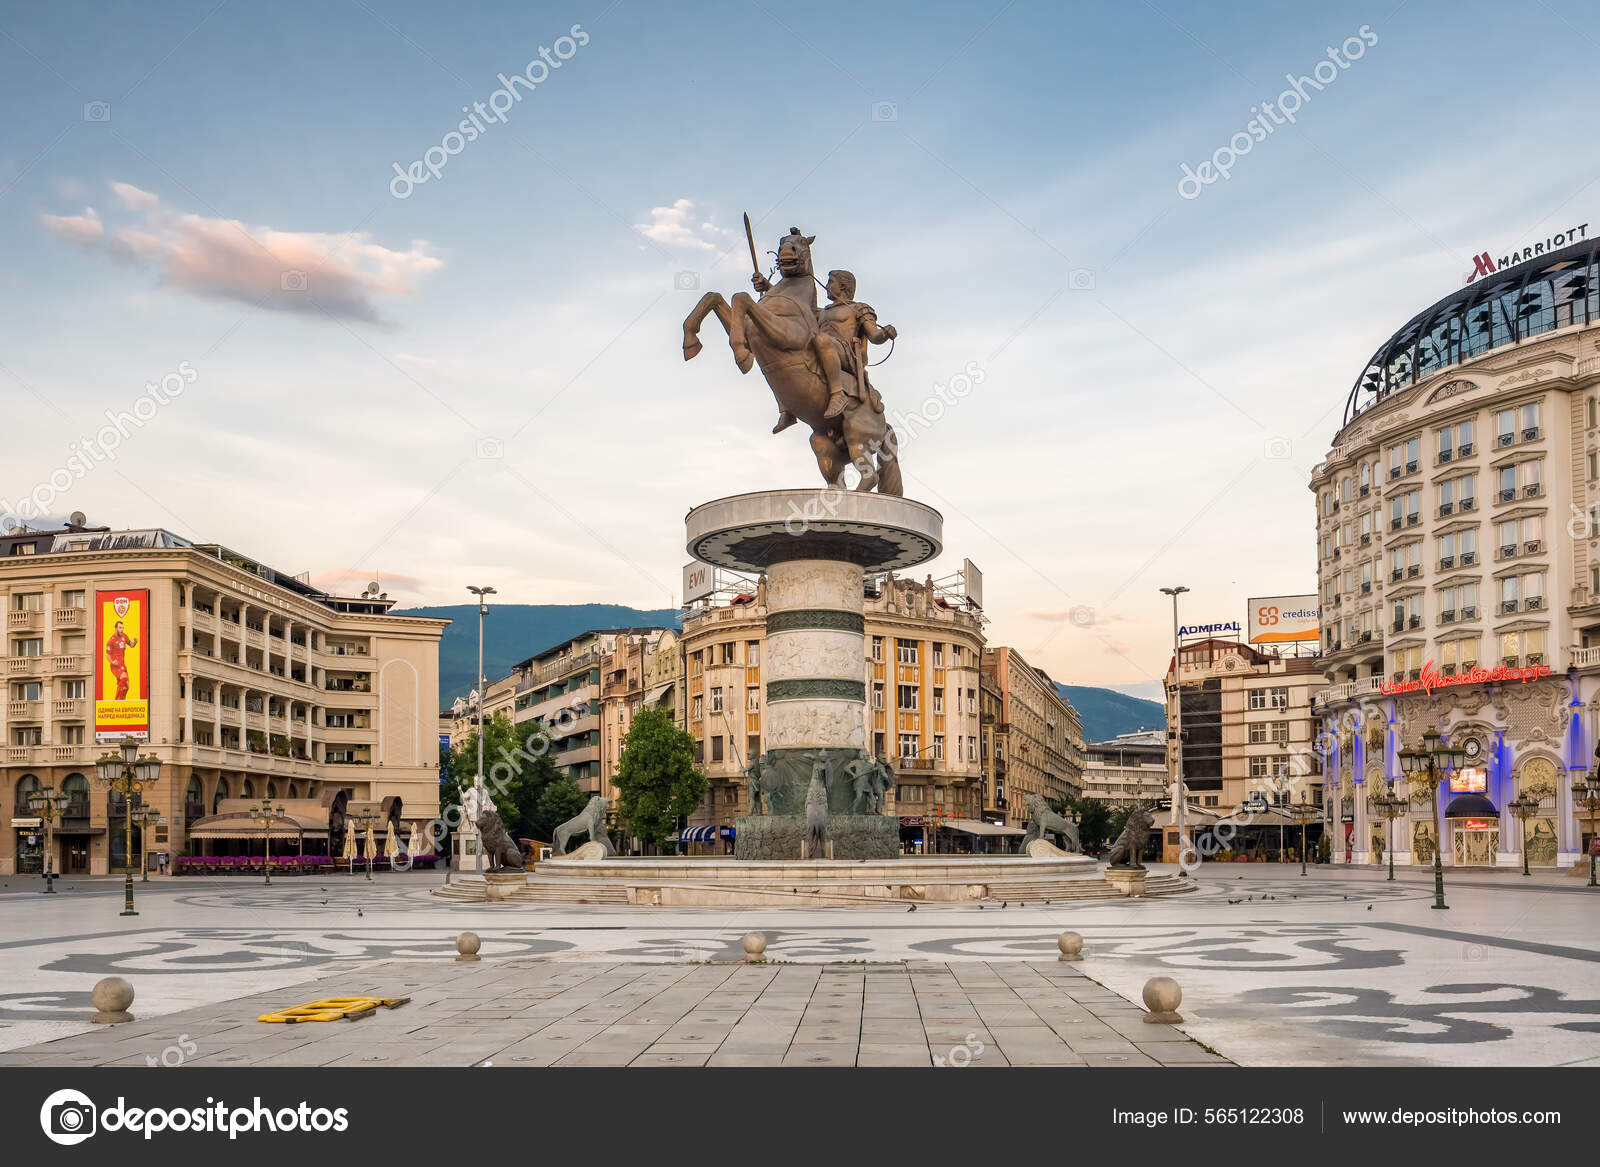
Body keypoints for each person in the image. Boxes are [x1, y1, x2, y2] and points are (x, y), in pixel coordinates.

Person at [813, 269, 895, 418]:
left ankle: (837, 394)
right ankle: (786, 407)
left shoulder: (858, 308)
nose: (826, 286)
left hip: (847, 355)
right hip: (824, 349)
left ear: (843, 286)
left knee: (822, 339)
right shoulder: (821, 312)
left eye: (830, 282)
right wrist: (768, 287)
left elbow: (874, 335)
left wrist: (885, 333)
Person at [105, 619, 138, 699]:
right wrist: (112, 662)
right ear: (116, 628)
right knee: (124, 678)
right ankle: (116, 700)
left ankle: (122, 700)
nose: (122, 630)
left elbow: (131, 645)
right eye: (120, 628)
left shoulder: (124, 636)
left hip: (122, 664)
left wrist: (135, 642)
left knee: (127, 686)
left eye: (123, 628)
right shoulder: (111, 641)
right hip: (115, 666)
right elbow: (107, 655)